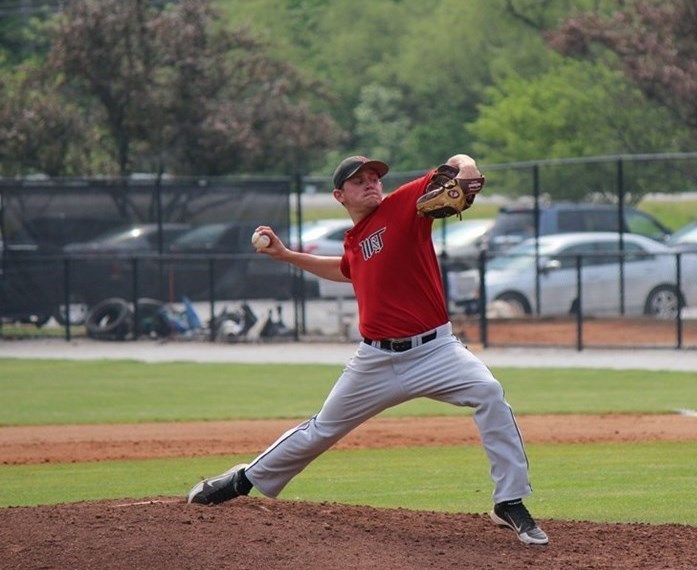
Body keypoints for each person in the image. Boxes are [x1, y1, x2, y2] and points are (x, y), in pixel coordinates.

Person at [187, 155, 548, 545]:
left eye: (374, 177)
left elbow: (462, 166)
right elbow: (345, 269)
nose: (371, 183)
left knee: (489, 393)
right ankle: (242, 480)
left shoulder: (404, 206)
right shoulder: (356, 240)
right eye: (359, 181)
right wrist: (287, 256)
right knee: (322, 429)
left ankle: (509, 500)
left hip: (436, 351)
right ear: (339, 195)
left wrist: (465, 168)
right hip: (374, 360)